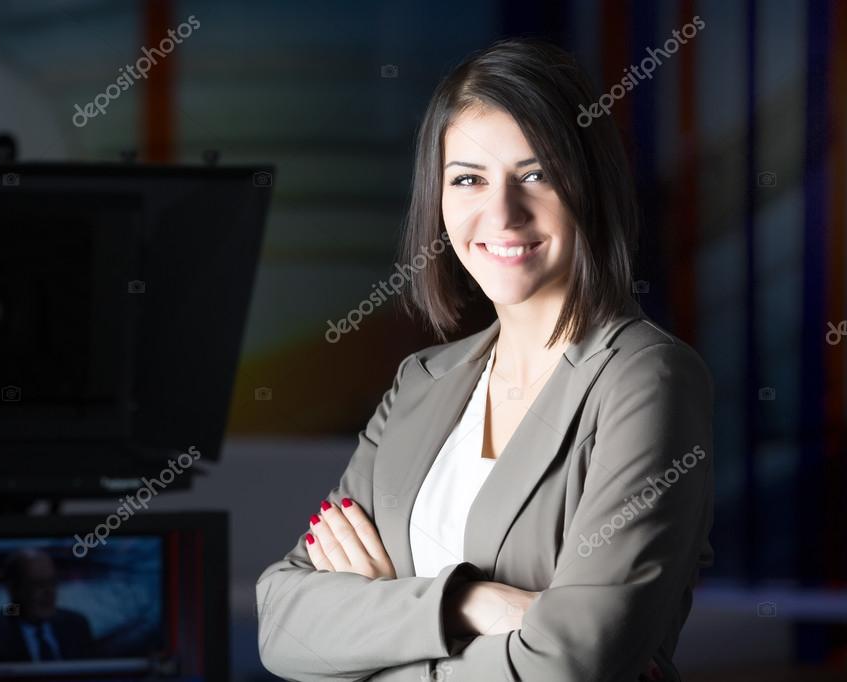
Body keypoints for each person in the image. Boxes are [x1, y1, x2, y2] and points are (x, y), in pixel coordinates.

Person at [256, 38, 713, 682]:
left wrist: (375, 636)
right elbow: (281, 623)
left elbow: (574, 664)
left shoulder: (645, 379)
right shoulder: (422, 382)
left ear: (590, 187)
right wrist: (470, 601)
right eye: (468, 178)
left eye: (536, 174)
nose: (502, 212)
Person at [0, 548, 95, 663]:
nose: (49, 593)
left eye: (52, 582)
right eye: (38, 584)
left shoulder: (77, 625)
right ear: (13, 589)